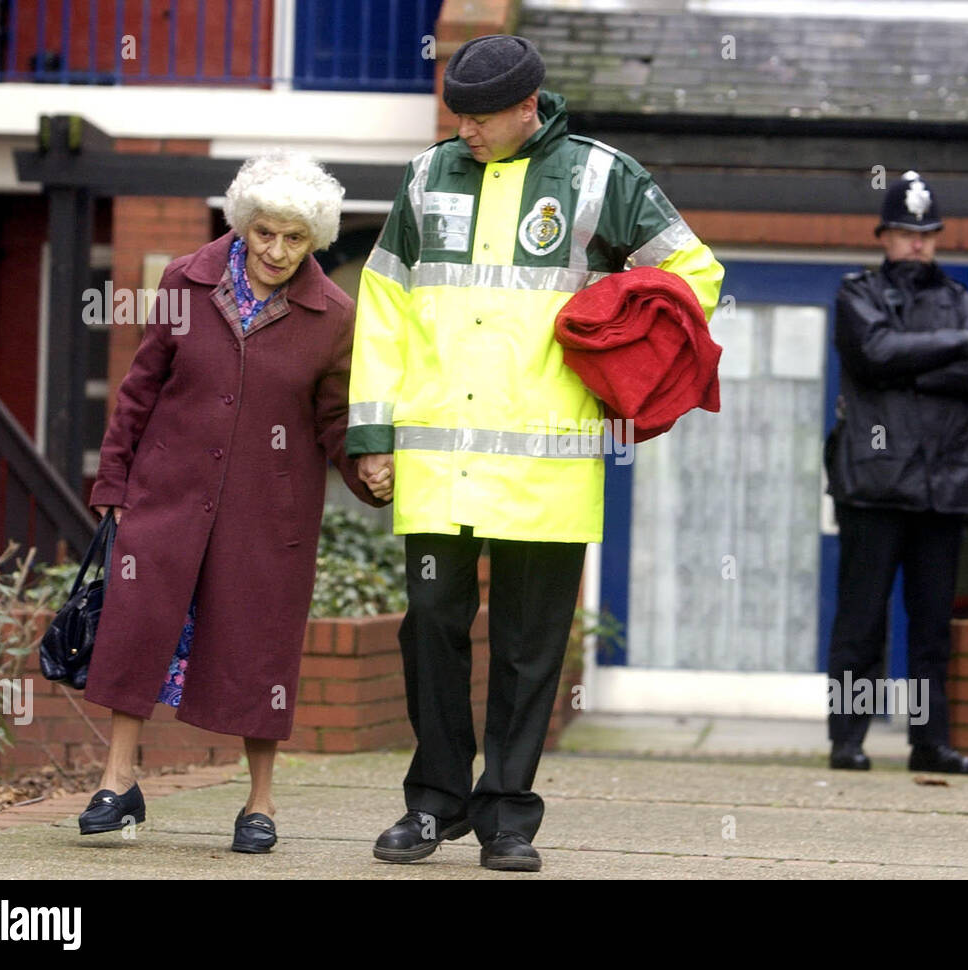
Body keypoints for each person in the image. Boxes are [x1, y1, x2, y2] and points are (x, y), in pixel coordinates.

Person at [349, 34, 723, 871]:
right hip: (438, 460)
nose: (466, 132)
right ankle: (432, 803)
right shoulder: (425, 175)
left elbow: (694, 275)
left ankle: (507, 819)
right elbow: (383, 305)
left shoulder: (602, 175)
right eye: (459, 117)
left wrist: (614, 314)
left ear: (529, 107)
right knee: (432, 628)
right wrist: (372, 435)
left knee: (528, 646)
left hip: (547, 464)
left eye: (482, 119)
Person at [79, 151, 384, 851]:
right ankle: (118, 783)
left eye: (295, 238)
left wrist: (368, 469)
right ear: (244, 226)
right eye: (265, 233)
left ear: (316, 240)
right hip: (167, 494)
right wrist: (116, 482)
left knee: (260, 648)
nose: (277, 251)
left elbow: (334, 419)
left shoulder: (332, 315)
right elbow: (140, 387)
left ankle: (259, 803)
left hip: (267, 512)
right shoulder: (185, 281)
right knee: (137, 629)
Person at [823, 170, 968, 774]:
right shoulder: (858, 295)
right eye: (905, 233)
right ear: (884, 236)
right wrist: (951, 348)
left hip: (941, 487)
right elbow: (871, 356)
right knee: (861, 622)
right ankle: (847, 739)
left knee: (931, 630)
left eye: (927, 234)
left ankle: (930, 742)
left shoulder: (959, 297)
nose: (917, 244)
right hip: (873, 485)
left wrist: (908, 364)